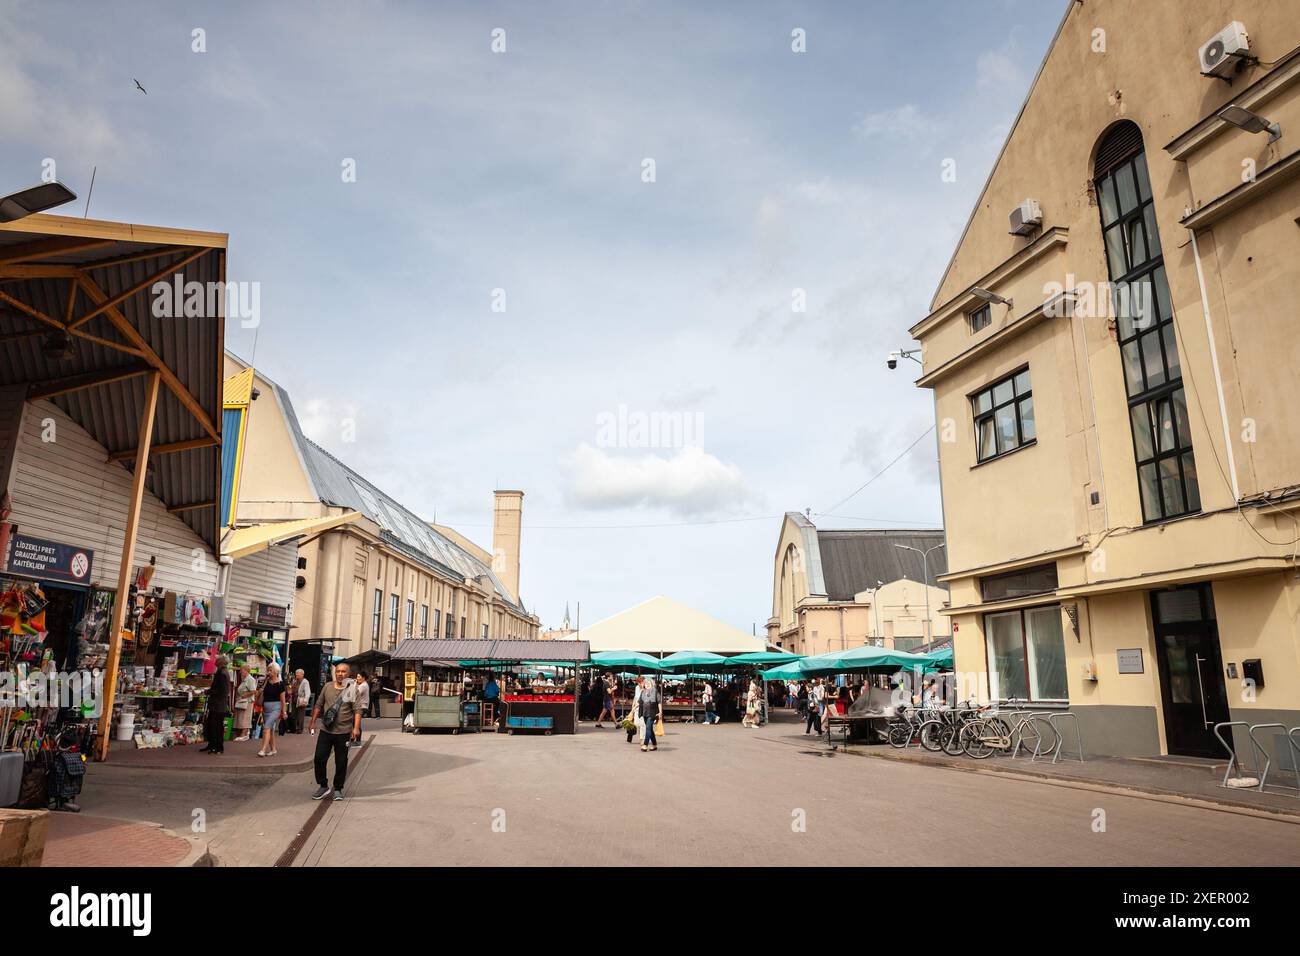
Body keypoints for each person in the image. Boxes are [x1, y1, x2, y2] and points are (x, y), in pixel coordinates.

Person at [309, 662, 360, 801]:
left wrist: (355, 728)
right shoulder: (327, 687)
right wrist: (313, 721)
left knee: (341, 761)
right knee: (319, 758)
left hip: (343, 732)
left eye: (343, 672)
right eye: (337, 671)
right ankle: (323, 785)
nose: (340, 674)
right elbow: (319, 704)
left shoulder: (352, 690)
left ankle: (338, 788)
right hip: (326, 730)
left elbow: (357, 710)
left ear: (348, 674)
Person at [201, 655, 233, 754]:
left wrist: (208, 692)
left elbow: (221, 690)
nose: (215, 660)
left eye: (217, 659)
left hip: (218, 705)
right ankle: (212, 745)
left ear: (221, 662)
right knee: (212, 725)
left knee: (217, 726)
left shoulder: (222, 673)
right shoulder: (221, 672)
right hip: (217, 704)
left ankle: (218, 747)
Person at [257, 663, 286, 757]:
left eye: (270, 670)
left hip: (275, 708)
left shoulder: (280, 684)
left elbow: (283, 700)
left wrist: (284, 712)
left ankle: (263, 750)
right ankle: (273, 749)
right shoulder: (266, 682)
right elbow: (258, 695)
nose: (268, 672)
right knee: (271, 730)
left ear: (276, 672)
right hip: (265, 708)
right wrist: (260, 691)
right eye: (268, 670)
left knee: (266, 728)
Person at [232, 664, 257, 741]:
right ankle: (244, 733)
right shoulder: (245, 679)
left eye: (241, 670)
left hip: (247, 701)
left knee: (245, 717)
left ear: (246, 671)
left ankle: (244, 734)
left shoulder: (250, 679)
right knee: (242, 717)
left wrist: (245, 695)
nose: (240, 672)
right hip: (242, 701)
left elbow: (253, 691)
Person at [639, 677, 662, 752]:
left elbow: (659, 702)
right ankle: (654, 745)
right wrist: (632, 711)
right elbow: (640, 702)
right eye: (646, 684)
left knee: (648, 728)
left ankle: (645, 745)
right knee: (650, 729)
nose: (647, 685)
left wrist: (660, 712)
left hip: (653, 713)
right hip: (645, 712)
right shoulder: (643, 692)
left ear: (652, 684)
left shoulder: (655, 692)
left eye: (649, 683)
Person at [353, 671, 371, 748]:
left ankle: (357, 742)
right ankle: (355, 740)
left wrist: (354, 684)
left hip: (361, 707)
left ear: (363, 678)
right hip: (362, 706)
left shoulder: (363, 685)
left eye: (359, 677)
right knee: (355, 723)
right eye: (357, 677)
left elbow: (355, 693)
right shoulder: (363, 684)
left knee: (356, 724)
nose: (357, 678)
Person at [293, 669, 311, 733]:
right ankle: (294, 728)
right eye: (296, 673)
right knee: (294, 715)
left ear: (302, 675)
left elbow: (308, 692)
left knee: (300, 715)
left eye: (298, 673)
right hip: (294, 700)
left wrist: (305, 701)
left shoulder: (305, 682)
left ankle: (300, 729)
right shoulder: (295, 681)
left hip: (301, 700)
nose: (296, 674)